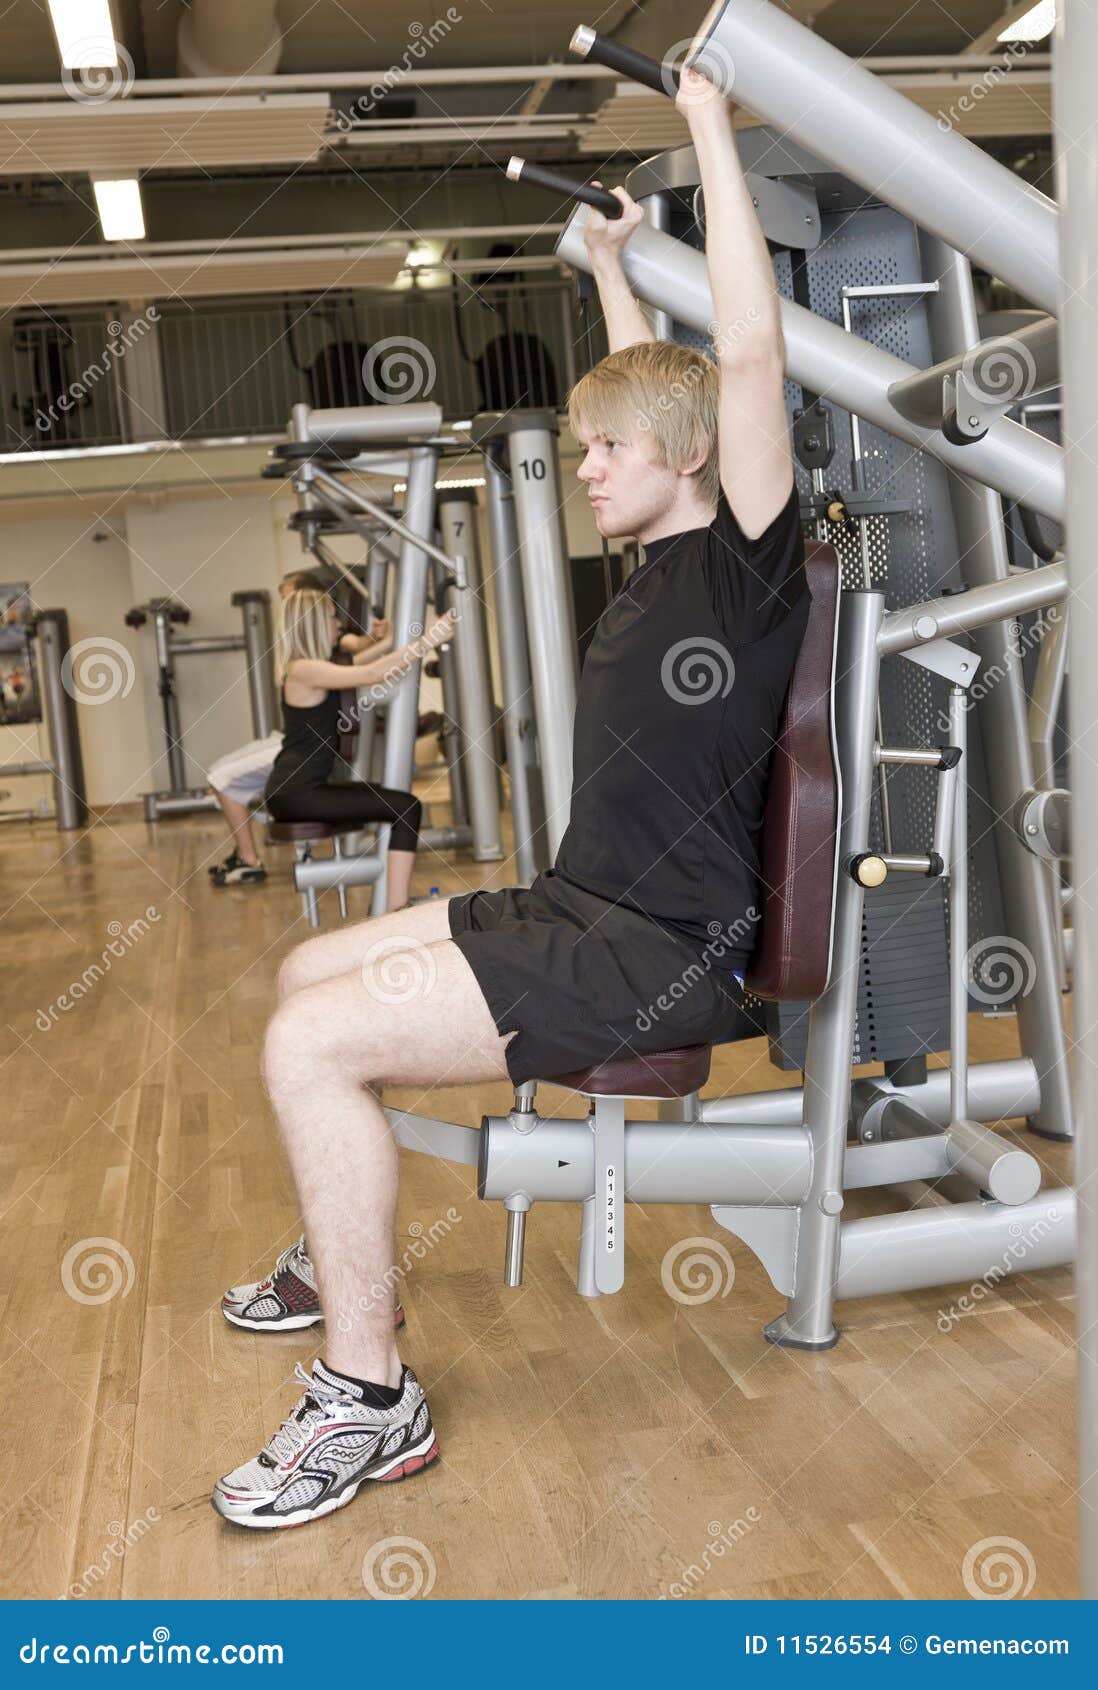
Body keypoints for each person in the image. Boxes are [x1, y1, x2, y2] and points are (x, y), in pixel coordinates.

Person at [211, 63, 809, 1530]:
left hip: (652, 956)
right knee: (300, 971)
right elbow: (655, 388)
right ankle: (338, 1239)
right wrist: (609, 269)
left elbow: (736, 362)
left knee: (306, 1041)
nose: (583, 464)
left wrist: (707, 133)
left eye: (605, 451)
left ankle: (369, 1394)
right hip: (577, 907)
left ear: (684, 468)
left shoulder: (738, 570)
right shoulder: (661, 563)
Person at [264, 586, 454, 914]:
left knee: (395, 802)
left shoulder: (314, 667)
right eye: (331, 616)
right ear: (312, 623)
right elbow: (371, 673)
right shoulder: (303, 669)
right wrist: (429, 641)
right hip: (297, 790)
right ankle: (396, 912)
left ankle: (392, 906)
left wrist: (395, 636)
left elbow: (368, 661)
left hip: (300, 787)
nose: (338, 623)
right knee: (405, 807)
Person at [205, 570, 383, 886]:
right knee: (218, 774)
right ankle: (244, 852)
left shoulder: (322, 637)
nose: (284, 603)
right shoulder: (308, 647)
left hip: (298, 745)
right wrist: (388, 640)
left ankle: (249, 859)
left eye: (288, 596)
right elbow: (360, 656)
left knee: (220, 778)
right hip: (292, 738)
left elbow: (357, 649)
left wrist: (386, 640)